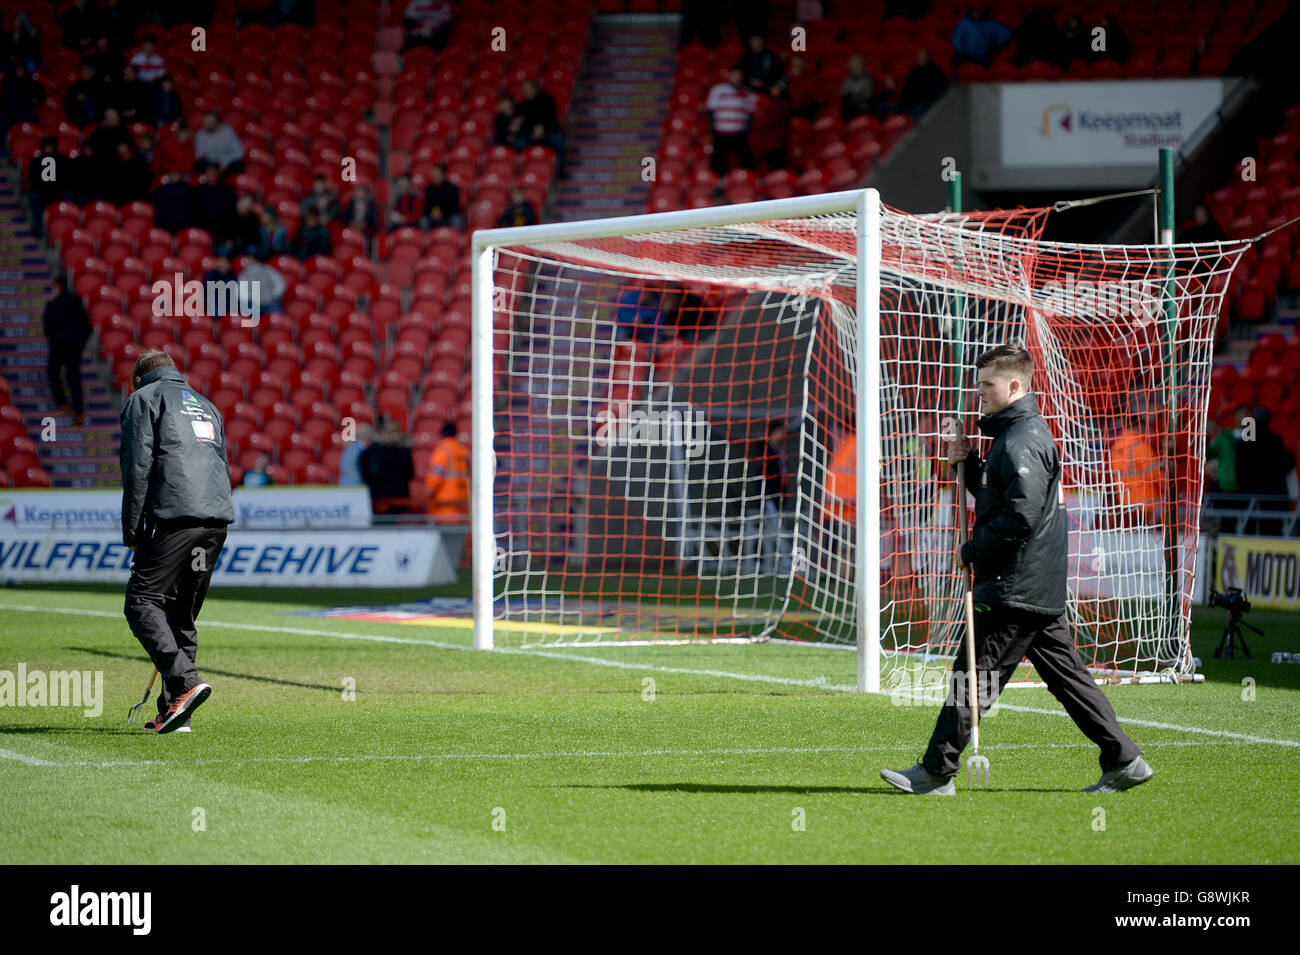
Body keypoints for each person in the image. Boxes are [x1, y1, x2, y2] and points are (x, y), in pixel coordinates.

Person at [881, 344, 1151, 795]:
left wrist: (973, 549)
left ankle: (935, 772)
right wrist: (970, 467)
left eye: (988, 384)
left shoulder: (1022, 438)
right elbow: (1003, 494)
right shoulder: (1014, 437)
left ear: (1015, 386)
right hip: (1031, 583)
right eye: (979, 382)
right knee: (1067, 680)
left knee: (973, 675)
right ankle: (1125, 760)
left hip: (1015, 585)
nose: (979, 392)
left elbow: (1020, 516)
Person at [120, 349, 233, 734]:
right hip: (215, 521)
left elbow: (137, 466)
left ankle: (184, 683)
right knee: (181, 614)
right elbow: (222, 464)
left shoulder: (143, 399)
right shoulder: (207, 405)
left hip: (176, 517)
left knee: (142, 602)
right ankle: (175, 711)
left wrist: (132, 531)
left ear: (139, 379)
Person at [1236, 406, 1296, 536]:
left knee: (1248, 533)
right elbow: (1287, 463)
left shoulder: (1243, 442)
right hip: (1273, 500)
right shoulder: (1275, 440)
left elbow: (1238, 470)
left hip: (1248, 498)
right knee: (1271, 534)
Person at [42, 276, 91, 425]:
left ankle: (62, 403)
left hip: (58, 345)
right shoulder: (76, 301)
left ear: (58, 287)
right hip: (74, 346)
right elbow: (87, 326)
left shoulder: (53, 304)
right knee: (74, 378)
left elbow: (48, 326)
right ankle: (79, 412)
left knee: (53, 372)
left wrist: (53, 339)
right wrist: (80, 343)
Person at [706, 66, 757, 177]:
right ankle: (718, 184)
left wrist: (747, 130)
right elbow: (711, 111)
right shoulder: (718, 90)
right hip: (721, 134)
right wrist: (713, 129)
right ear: (729, 76)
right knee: (717, 162)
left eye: (739, 75)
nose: (737, 77)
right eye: (734, 74)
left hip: (739, 134)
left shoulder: (747, 92)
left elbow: (751, 114)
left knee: (747, 161)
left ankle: (749, 181)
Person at [360, 417, 415, 514]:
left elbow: (371, 474)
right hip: (400, 496)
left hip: (382, 498)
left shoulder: (376, 452)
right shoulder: (405, 452)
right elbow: (410, 473)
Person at [754, 419, 788, 573]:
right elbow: (761, 475)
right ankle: (786, 562)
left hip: (778, 496)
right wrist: (764, 494)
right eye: (779, 433)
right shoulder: (765, 451)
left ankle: (754, 560)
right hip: (767, 497)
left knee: (765, 530)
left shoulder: (779, 451)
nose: (781, 436)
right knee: (773, 529)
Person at [425, 421, 470, 521]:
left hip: (444, 507)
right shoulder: (464, 451)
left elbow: (435, 476)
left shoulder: (442, 451)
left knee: (446, 535)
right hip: (463, 506)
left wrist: (428, 492)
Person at [27, 137, 68, 238]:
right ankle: (39, 228)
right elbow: (32, 179)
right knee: (34, 196)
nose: (47, 150)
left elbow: (67, 178)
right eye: (45, 148)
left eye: (49, 148)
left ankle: (62, 229)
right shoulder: (36, 161)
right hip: (42, 191)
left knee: (68, 195)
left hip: (58, 191)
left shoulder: (62, 160)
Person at [898, 48, 949, 116]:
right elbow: (907, 89)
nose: (917, 59)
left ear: (927, 57)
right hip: (910, 103)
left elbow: (939, 89)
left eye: (920, 57)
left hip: (925, 105)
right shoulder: (914, 70)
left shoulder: (935, 70)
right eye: (917, 57)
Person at [193, 110, 244, 175]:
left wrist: (226, 161)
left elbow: (239, 152)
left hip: (225, 161)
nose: (208, 124)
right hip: (209, 163)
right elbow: (198, 155)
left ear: (217, 123)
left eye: (211, 122)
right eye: (206, 122)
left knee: (238, 165)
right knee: (198, 166)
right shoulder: (200, 135)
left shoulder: (227, 132)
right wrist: (203, 155)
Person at [754, 82, 792, 170]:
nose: (772, 91)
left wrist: (759, 121)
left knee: (777, 167)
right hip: (768, 141)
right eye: (772, 88)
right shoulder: (772, 103)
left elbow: (770, 122)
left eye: (776, 89)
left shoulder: (783, 104)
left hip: (776, 142)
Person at [423, 165, 462, 229]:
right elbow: (427, 207)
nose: (436, 176)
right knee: (424, 220)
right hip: (433, 217)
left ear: (444, 175)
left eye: (438, 174)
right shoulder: (429, 189)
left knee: (456, 220)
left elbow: (455, 208)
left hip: (448, 216)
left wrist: (442, 213)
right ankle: (424, 239)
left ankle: (457, 238)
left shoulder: (452, 188)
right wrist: (433, 213)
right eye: (434, 174)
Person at [840, 54, 875, 121]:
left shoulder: (869, 80)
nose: (857, 68)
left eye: (859, 66)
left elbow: (868, 96)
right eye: (854, 66)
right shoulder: (846, 81)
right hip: (850, 108)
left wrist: (854, 96)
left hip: (864, 108)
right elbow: (844, 95)